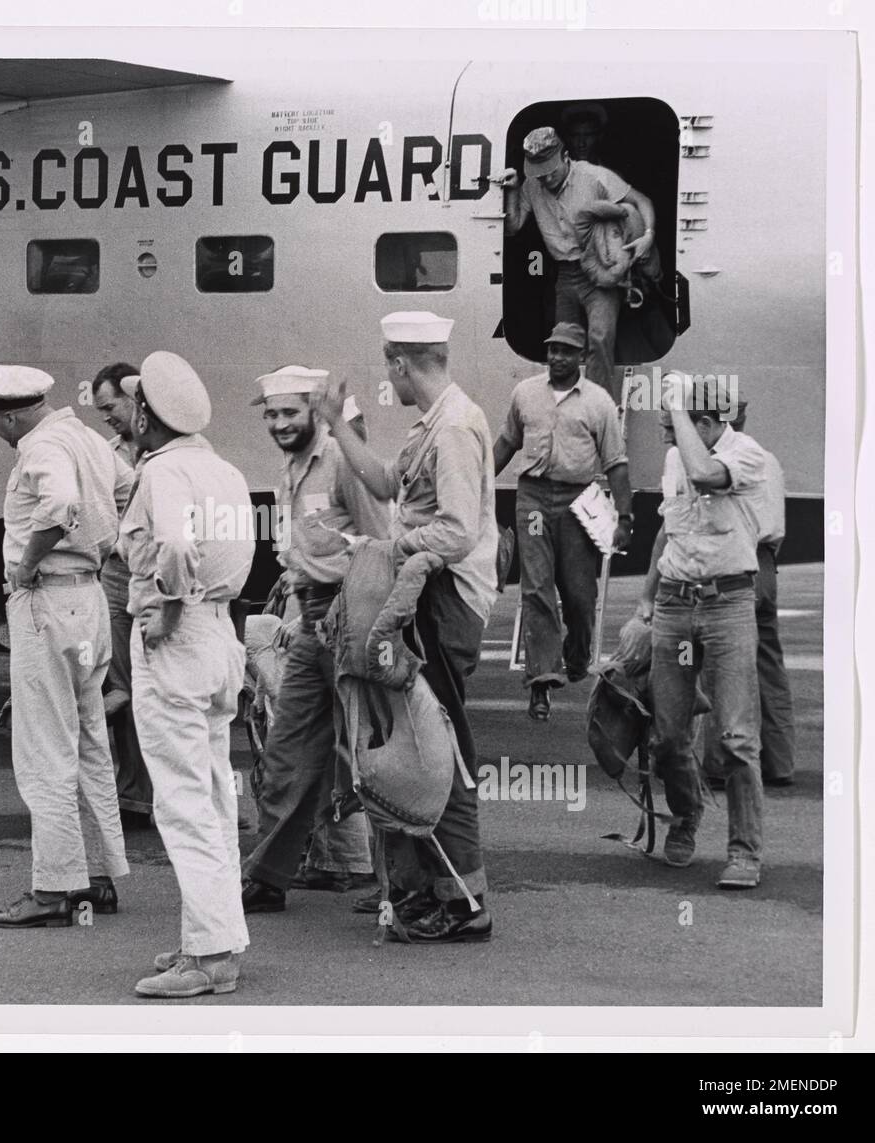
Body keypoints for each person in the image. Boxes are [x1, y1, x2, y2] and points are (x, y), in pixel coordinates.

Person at [314, 311, 500, 942]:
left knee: (435, 746)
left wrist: (383, 553)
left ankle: (464, 903)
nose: (386, 375)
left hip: (442, 598)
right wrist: (337, 426)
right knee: (420, 739)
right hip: (424, 593)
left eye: (387, 363)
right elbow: (391, 485)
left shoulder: (452, 429)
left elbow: (457, 530)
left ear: (400, 363)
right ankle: (425, 891)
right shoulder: (437, 422)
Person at [0, 364, 130, 929]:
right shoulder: (87, 437)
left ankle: (54, 887)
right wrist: (101, 544)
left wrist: (27, 564)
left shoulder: (40, 448)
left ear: (8, 413)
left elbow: (59, 506)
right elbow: (126, 486)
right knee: (90, 741)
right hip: (89, 602)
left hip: (47, 605)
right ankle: (103, 874)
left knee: (44, 749)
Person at [118, 351, 255, 998]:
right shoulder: (224, 470)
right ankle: (214, 934)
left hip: (178, 641)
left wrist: (167, 610)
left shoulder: (164, 473)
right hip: (221, 632)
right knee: (215, 796)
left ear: (148, 413)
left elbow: (172, 546)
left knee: (182, 801)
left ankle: (210, 954)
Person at [239, 366, 388, 915]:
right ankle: (268, 876)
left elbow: (382, 545)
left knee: (374, 754)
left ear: (314, 413)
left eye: (290, 413)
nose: (279, 423)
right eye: (272, 414)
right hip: (311, 618)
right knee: (288, 752)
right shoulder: (294, 464)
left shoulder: (344, 462)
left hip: (352, 615)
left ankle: (401, 883)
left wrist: (361, 624)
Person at [638, 375, 768, 889]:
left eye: (672, 427)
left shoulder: (745, 453)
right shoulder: (679, 455)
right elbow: (670, 531)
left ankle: (744, 852)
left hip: (729, 603)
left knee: (736, 736)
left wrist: (677, 406)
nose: (667, 438)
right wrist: (644, 604)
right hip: (674, 601)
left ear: (709, 423)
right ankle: (687, 813)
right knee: (668, 735)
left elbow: (705, 472)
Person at [492, 321, 634, 721]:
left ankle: (577, 653)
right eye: (552, 349)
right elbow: (507, 442)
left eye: (566, 351)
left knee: (579, 594)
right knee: (536, 588)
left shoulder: (599, 403)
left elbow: (617, 465)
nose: (557, 357)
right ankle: (541, 682)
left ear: (583, 357)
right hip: (533, 497)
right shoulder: (525, 394)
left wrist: (625, 518)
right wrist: (477, 480)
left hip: (579, 501)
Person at [500, 125, 656, 399]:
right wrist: (512, 190)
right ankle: (565, 408)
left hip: (599, 272)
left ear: (566, 156)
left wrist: (648, 236)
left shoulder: (594, 177)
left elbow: (641, 200)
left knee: (600, 337)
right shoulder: (532, 186)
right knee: (563, 345)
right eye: (539, 173)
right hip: (565, 274)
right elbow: (512, 227)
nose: (546, 179)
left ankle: (597, 410)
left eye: (550, 170)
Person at [703, 399, 796, 787]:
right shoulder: (768, 459)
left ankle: (721, 765)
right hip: (768, 565)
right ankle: (780, 762)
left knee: (721, 668)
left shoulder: (720, 465)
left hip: (736, 566)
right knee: (769, 666)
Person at [90, 362, 155, 822]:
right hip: (115, 574)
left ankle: (161, 792)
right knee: (123, 684)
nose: (106, 418)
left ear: (135, 399)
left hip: (152, 576)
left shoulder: (163, 454)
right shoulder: (106, 454)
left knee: (158, 685)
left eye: (110, 407)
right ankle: (133, 793)